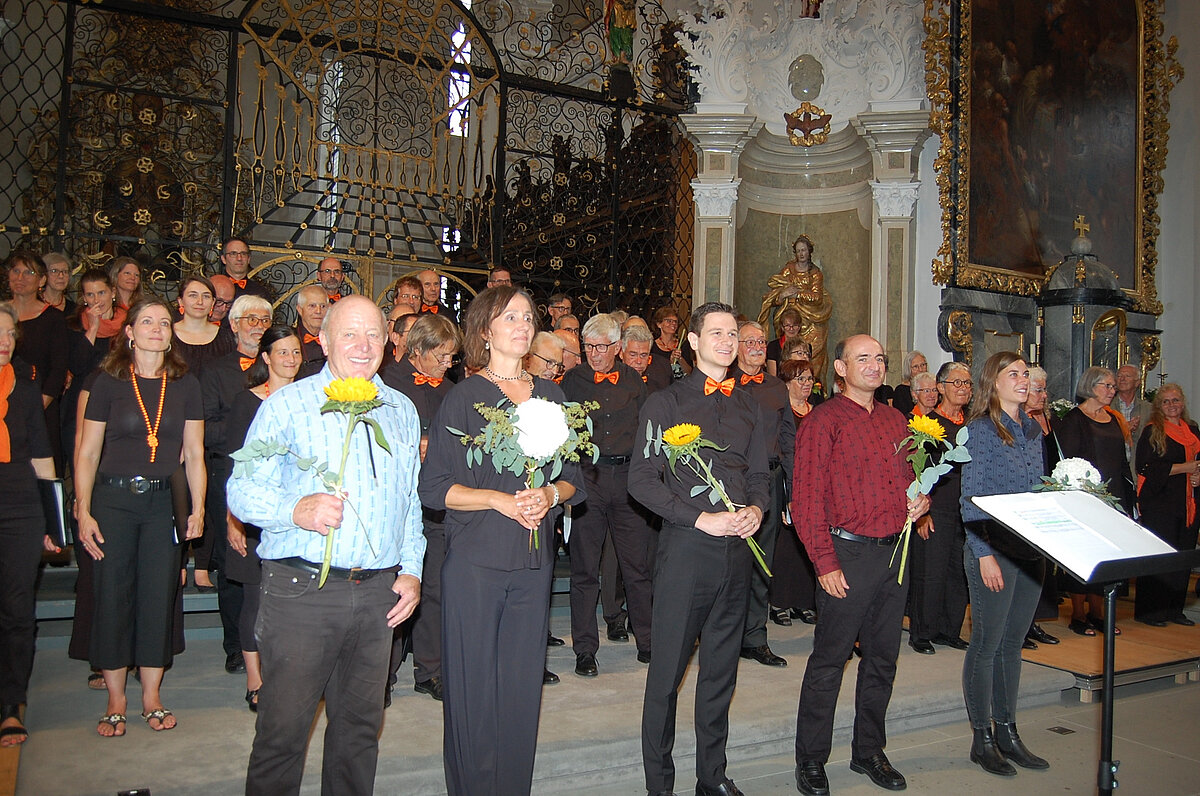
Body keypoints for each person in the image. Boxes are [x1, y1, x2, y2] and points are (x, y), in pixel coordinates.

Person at [228, 295, 424, 795]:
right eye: (349, 334)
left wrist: (412, 569)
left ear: (388, 343)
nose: (363, 345)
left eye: (373, 334)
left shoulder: (401, 410)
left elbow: (410, 500)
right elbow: (241, 490)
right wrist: (295, 509)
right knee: (283, 733)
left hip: (378, 594)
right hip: (302, 591)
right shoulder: (288, 404)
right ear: (322, 340)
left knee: (359, 733)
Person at [419, 286, 582, 795]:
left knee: (521, 688)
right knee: (472, 691)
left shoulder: (552, 396)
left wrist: (549, 494)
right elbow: (435, 488)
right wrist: (498, 499)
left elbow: (574, 477)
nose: (522, 325)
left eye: (528, 317)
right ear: (485, 330)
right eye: (510, 316)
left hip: (534, 565)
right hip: (476, 563)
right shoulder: (464, 397)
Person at [629, 301, 768, 796]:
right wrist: (700, 518)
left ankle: (712, 777)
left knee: (720, 674)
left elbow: (759, 473)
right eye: (717, 333)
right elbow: (641, 480)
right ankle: (659, 785)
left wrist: (757, 508)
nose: (728, 342)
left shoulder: (750, 405)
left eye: (733, 334)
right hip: (688, 550)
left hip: (738, 552)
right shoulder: (664, 403)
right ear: (692, 341)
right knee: (666, 675)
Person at [792, 334, 929, 796]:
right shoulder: (823, 421)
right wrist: (824, 562)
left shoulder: (895, 420)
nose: (874, 365)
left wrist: (921, 501)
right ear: (841, 368)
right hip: (846, 555)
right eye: (863, 358)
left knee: (883, 659)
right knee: (830, 661)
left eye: (880, 359)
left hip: (894, 553)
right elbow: (806, 499)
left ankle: (869, 750)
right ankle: (811, 758)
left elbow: (909, 480)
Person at [75, 297, 206, 737]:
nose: (156, 328)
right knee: (112, 594)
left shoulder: (186, 384)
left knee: (158, 595)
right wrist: (83, 509)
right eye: (147, 321)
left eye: (164, 323)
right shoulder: (107, 382)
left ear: (171, 334)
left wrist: (198, 508)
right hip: (112, 502)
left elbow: (194, 454)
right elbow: (87, 452)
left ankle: (152, 695)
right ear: (129, 332)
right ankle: (116, 698)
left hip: (162, 506)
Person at [959, 351, 1051, 776]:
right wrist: (984, 555)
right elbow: (971, 498)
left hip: (1030, 551)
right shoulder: (980, 430)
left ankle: (1008, 732)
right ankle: (982, 738)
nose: (1023, 379)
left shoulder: (1033, 429)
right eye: (1013, 373)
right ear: (993, 382)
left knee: (1012, 646)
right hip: (993, 549)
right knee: (987, 644)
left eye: (1025, 373)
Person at [562, 313, 654, 676]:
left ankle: (648, 641)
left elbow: (646, 430)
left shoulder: (633, 381)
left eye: (601, 347)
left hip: (627, 479)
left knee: (636, 566)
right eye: (589, 347)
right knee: (584, 569)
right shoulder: (572, 380)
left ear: (617, 347)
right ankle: (585, 649)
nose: (594, 354)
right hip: (587, 478)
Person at [379, 313, 461, 702]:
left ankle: (430, 670)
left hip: (436, 503)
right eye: (441, 356)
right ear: (417, 349)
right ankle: (381, 674)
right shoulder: (385, 383)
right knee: (392, 591)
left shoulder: (451, 391)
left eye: (451, 357)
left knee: (435, 590)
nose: (447, 364)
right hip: (396, 503)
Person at [224, 325, 303, 713]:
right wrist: (233, 519)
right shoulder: (247, 402)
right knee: (256, 598)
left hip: (298, 514)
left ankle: (289, 675)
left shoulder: (311, 399)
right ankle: (255, 679)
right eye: (282, 352)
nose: (290, 359)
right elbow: (236, 467)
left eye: (296, 352)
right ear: (266, 357)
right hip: (255, 514)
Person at [200, 295, 273, 672]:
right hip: (228, 474)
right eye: (250, 319)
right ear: (234, 325)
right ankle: (235, 645)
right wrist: (247, 429)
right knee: (235, 563)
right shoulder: (215, 372)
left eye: (265, 320)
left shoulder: (280, 369)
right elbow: (204, 427)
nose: (258, 326)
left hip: (274, 480)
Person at [0, 302, 58, 748]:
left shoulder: (24, 386)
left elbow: (41, 454)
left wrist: (52, 523)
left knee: (17, 608)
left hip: (19, 501)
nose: (4, 341)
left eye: (9, 333)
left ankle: (10, 704)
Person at [1053, 366, 1134, 636]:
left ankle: (1098, 613)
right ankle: (1078, 614)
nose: (1112, 391)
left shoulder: (1113, 418)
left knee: (1106, 556)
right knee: (1083, 554)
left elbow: (1122, 461)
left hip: (1113, 496)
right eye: (1106, 386)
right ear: (1090, 386)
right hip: (1086, 497)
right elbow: (1068, 461)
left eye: (1113, 387)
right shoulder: (1074, 419)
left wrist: (1129, 498)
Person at [733, 320, 794, 668]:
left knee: (761, 562)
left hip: (768, 482)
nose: (757, 347)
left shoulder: (777, 388)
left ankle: (755, 637)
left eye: (761, 342)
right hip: (732, 482)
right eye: (750, 341)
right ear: (736, 347)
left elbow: (788, 441)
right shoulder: (723, 385)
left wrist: (793, 489)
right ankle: (724, 634)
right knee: (729, 562)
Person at [907, 362, 971, 655]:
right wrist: (923, 514)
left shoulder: (973, 424)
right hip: (935, 508)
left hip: (966, 509)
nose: (963, 388)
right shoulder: (927, 425)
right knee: (929, 572)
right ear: (941, 387)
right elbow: (916, 470)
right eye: (956, 383)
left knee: (958, 572)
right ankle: (922, 632)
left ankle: (949, 630)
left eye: (967, 383)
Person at [1133, 384, 1200, 627]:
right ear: (1159, 406)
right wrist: (1184, 468)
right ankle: (1151, 612)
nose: (1172, 405)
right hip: (1160, 503)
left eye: (1176, 400)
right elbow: (1145, 467)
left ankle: (1174, 610)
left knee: (1182, 557)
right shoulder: (1153, 431)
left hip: (1188, 502)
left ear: (1183, 402)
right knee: (1160, 557)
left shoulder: (1192, 430)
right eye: (1166, 401)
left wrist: (1197, 475)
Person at [7, 250, 68, 469]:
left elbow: (58, 369)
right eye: (15, 271)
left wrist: (34, 409)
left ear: (42, 280)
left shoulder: (53, 319)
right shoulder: (2, 315)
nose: (20, 277)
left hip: (39, 407)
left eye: (28, 272)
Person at [769, 359, 819, 627]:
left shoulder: (818, 412)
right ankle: (780, 602)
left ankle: (803, 601)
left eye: (809, 379)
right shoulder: (780, 412)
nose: (807, 384)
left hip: (813, 482)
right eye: (801, 379)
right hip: (788, 481)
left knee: (809, 540)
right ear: (786, 384)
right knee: (786, 544)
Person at [758, 234, 833, 381]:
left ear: (809, 252)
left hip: (811, 318)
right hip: (788, 311)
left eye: (804, 250)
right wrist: (783, 294)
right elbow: (776, 296)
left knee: (811, 354)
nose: (801, 254)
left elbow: (817, 298)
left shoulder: (815, 274)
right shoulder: (788, 269)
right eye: (798, 251)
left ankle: (812, 384)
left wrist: (797, 294)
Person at [1022, 367, 1061, 649]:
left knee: (1037, 566)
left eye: (1045, 389)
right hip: (1024, 502)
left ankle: (1031, 622)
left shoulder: (1042, 421)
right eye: (1039, 390)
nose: (1044, 395)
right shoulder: (1015, 424)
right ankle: (1020, 628)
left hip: (1044, 499)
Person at [174, 275, 235, 377]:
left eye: (206, 296)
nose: (200, 302)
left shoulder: (227, 338)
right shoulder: (168, 335)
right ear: (180, 301)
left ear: (213, 302)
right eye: (193, 295)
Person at [218, 237, 274, 301]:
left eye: (243, 254)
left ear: (248, 259)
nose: (239, 258)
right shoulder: (214, 288)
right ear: (223, 259)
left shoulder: (260, 293)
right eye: (233, 254)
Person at [293, 284, 329, 377]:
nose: (318, 311)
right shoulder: (290, 339)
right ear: (300, 310)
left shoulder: (335, 339)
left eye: (323, 306)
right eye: (312, 306)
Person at [621, 324, 668, 391]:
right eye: (633, 355)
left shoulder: (658, 387)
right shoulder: (610, 384)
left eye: (643, 355)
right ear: (621, 353)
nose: (639, 361)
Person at [651, 304, 690, 377]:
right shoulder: (652, 346)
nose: (673, 324)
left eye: (675, 321)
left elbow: (689, 372)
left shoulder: (683, 345)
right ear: (659, 324)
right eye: (669, 321)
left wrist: (680, 359)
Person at [765, 308, 802, 378]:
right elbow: (772, 377)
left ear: (799, 327)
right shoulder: (773, 346)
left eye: (795, 325)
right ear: (782, 327)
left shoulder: (807, 347)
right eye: (787, 325)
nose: (791, 329)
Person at [890, 351, 928, 416]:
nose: (920, 369)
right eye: (915, 366)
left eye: (923, 365)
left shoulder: (932, 388)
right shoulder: (901, 391)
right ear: (908, 369)